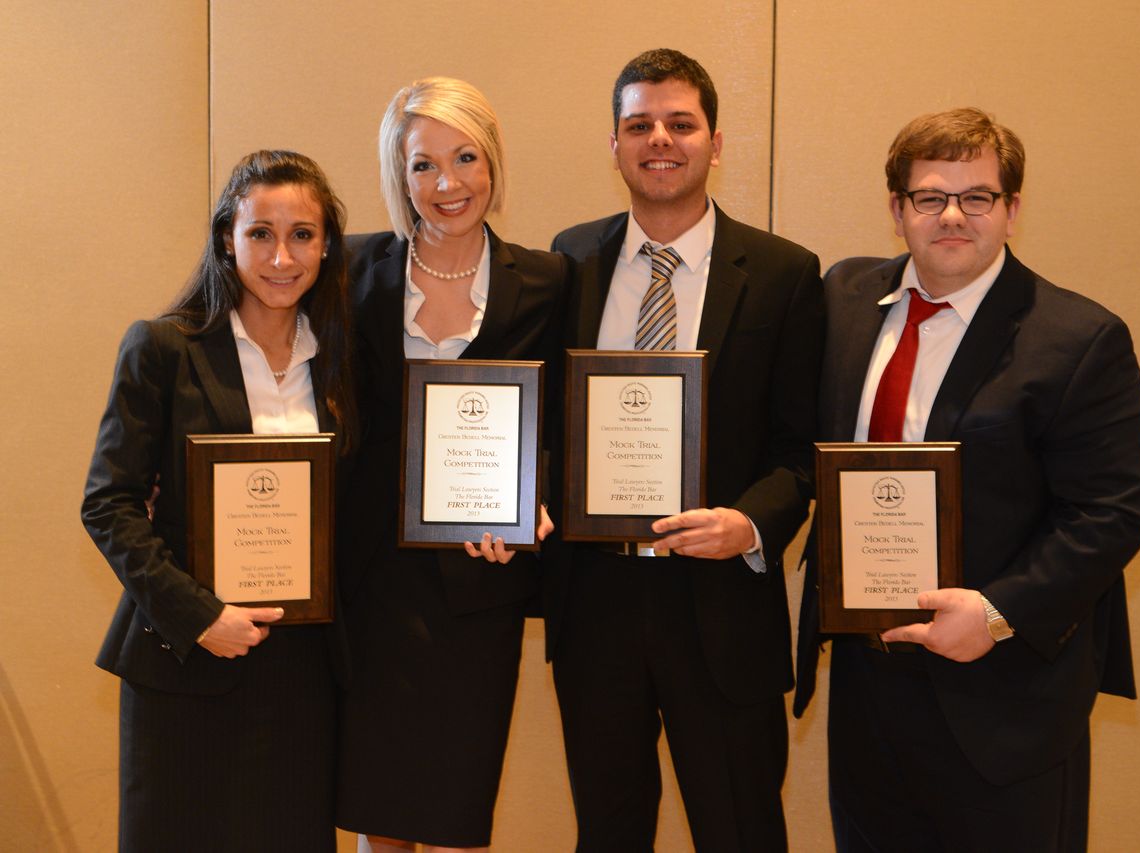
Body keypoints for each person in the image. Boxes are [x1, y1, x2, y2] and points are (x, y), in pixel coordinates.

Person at [794, 107, 1140, 852]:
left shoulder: (1078, 338)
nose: (952, 215)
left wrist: (994, 611)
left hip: (1004, 696)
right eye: (929, 196)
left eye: (978, 196)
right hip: (870, 680)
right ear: (897, 211)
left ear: (1012, 210)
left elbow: (1114, 511)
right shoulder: (845, 298)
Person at [545, 48, 824, 851]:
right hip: (595, 605)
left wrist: (749, 524)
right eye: (639, 124)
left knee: (740, 831)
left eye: (680, 123)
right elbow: (546, 427)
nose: (659, 139)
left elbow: (799, 448)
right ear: (615, 144)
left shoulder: (781, 273)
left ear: (715, 139)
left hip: (722, 611)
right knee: (607, 830)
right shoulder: (569, 260)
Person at [82, 149, 357, 852]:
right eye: (259, 232)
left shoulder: (342, 359)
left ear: (327, 244)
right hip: (185, 661)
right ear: (225, 240)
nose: (281, 255)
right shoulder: (164, 347)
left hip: (302, 674)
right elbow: (109, 503)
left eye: (302, 233)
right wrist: (200, 615)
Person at [334, 76, 564, 853]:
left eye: (465, 157)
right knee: (379, 809)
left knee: (460, 809)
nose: (448, 183)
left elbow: (563, 417)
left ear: (493, 162)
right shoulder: (350, 271)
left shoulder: (546, 280)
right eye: (423, 165)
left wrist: (537, 495)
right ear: (398, 177)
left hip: (479, 581)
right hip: (371, 582)